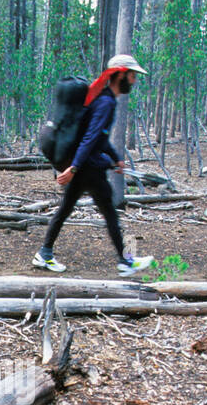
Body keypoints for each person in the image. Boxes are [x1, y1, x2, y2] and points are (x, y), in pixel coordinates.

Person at [32, 54, 155, 276]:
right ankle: (126, 262)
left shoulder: (104, 99)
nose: (134, 81)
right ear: (120, 75)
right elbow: (90, 138)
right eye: (132, 75)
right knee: (110, 212)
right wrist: (75, 167)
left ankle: (44, 253)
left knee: (67, 209)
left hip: (86, 166)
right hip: (89, 169)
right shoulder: (106, 102)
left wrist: (115, 156)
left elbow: (99, 138)